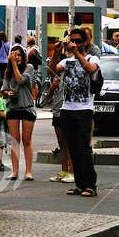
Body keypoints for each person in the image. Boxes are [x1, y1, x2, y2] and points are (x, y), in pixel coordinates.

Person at [51, 26, 101, 197]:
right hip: (67, 109)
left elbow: (91, 69)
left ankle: (90, 185)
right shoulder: (66, 61)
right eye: (71, 40)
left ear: (85, 42)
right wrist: (57, 52)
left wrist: (77, 53)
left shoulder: (92, 57)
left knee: (84, 148)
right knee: (72, 148)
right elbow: (53, 69)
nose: (74, 43)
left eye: (78, 41)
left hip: (84, 109)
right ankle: (79, 184)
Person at [1, 44, 38, 184]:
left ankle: (28, 171)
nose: (16, 57)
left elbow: (21, 80)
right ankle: (15, 171)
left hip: (27, 107)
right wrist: (8, 93)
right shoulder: (8, 71)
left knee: (26, 140)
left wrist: (13, 64)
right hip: (13, 108)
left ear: (23, 56)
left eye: (19, 55)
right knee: (14, 141)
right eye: (13, 54)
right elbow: (3, 90)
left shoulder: (29, 68)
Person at [44, 37, 74, 184]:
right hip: (57, 107)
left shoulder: (76, 61)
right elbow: (51, 71)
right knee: (62, 142)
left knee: (70, 142)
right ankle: (64, 170)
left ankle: (73, 172)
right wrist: (56, 51)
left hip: (69, 107)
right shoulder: (59, 63)